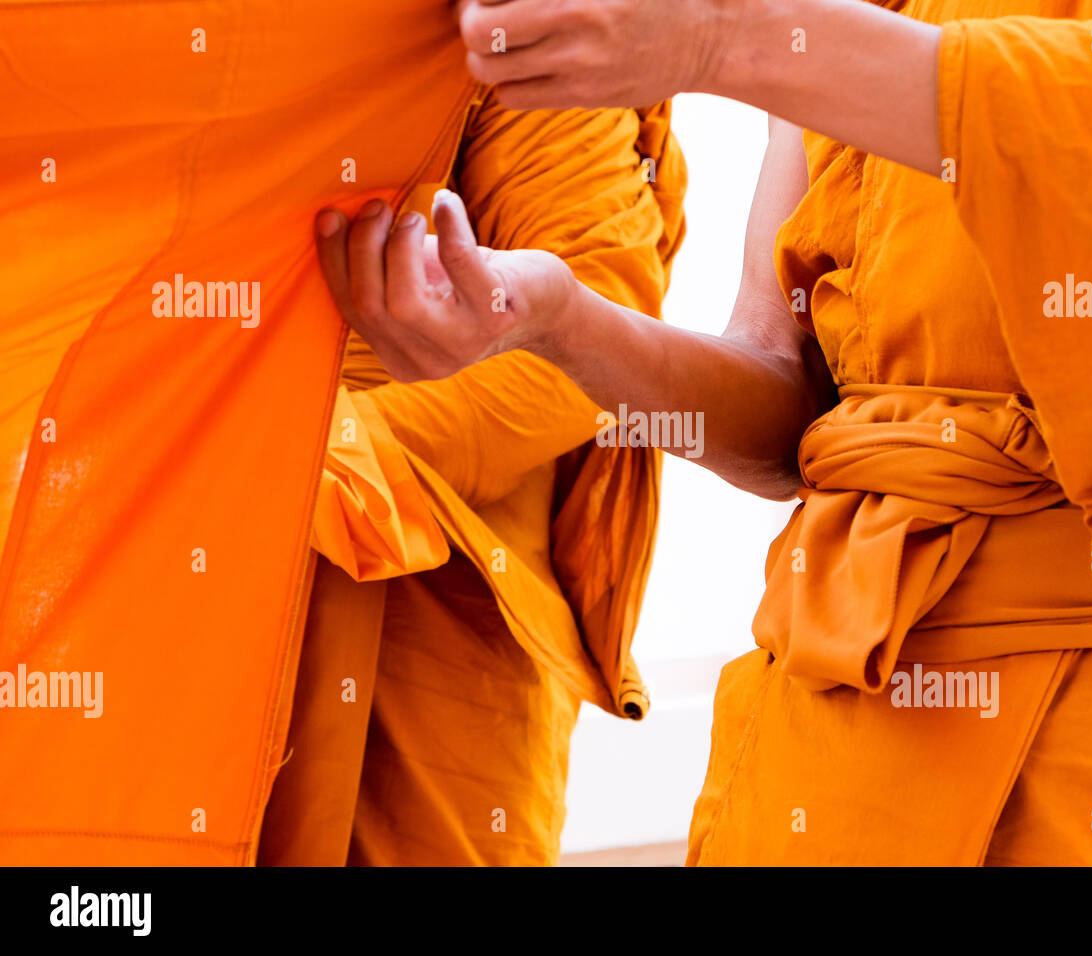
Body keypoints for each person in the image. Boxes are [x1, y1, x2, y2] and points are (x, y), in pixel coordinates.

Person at [316, 0, 1092, 864]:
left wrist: (724, 36)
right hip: (827, 721)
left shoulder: (780, 32)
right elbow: (791, 414)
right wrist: (558, 325)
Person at [0, 0, 681, 865]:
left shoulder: (499, 21)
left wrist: (272, 460)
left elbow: (587, 336)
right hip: (97, 572)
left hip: (402, 614)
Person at [257, 93, 684, 867]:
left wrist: (287, 474)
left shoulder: (520, 28)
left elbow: (594, 326)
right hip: (117, 533)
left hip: (424, 588)